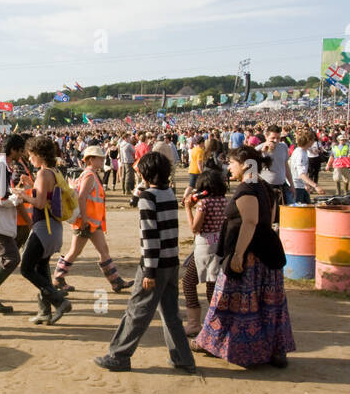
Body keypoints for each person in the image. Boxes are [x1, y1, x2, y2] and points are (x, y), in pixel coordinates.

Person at [192, 146, 295, 368]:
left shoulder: (248, 189)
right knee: (268, 305)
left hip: (250, 256)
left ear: (246, 164)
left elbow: (251, 222)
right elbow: (271, 219)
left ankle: (216, 344)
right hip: (268, 254)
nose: (229, 167)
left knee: (227, 302)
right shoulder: (266, 187)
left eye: (231, 163)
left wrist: (239, 254)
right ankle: (275, 350)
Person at [93, 151, 196, 373]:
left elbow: (150, 236)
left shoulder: (148, 198)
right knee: (170, 314)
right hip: (171, 262)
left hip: (154, 264)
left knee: (137, 311)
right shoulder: (167, 192)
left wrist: (149, 271)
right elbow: (136, 198)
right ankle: (183, 357)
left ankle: (119, 355)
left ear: (146, 174)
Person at [53, 145, 129, 294]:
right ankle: (58, 278)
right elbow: (82, 197)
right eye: (99, 158)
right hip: (87, 222)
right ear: (90, 160)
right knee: (75, 251)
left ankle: (116, 281)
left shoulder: (90, 174)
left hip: (92, 221)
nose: (102, 160)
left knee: (100, 250)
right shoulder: (89, 175)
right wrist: (85, 219)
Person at [13, 136, 72, 326]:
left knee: (27, 268)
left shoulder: (43, 173)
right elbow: (45, 197)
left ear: (39, 154)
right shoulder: (54, 172)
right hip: (53, 228)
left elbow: (38, 202)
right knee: (41, 268)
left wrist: (22, 194)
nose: (29, 159)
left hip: (43, 228)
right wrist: (31, 187)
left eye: (31, 155)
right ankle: (44, 312)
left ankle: (59, 301)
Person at [181, 164, 228, 336]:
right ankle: (217, 323)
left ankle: (195, 324)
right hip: (219, 246)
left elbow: (195, 228)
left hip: (203, 246)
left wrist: (187, 208)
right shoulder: (225, 201)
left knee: (188, 282)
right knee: (212, 285)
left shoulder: (204, 203)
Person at [288, 129, 320, 204]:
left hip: (301, 186)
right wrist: (315, 186)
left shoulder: (303, 151)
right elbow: (301, 174)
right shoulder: (300, 154)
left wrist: (306, 184)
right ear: (309, 141)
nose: (314, 142)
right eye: (313, 140)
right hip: (297, 187)